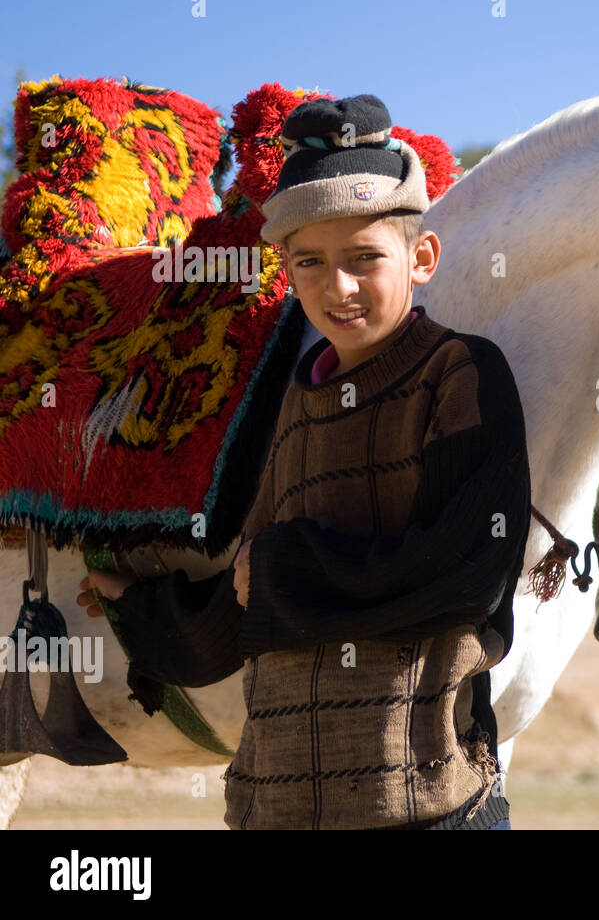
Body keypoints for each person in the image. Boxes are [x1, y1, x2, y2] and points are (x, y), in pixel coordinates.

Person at [77, 94, 530, 830]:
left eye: (364, 258)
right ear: (286, 271)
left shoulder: (462, 375)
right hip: (276, 802)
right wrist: (141, 608)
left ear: (421, 258)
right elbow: (245, 604)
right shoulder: (291, 403)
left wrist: (285, 565)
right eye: (311, 262)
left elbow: (468, 574)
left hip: (421, 800)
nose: (338, 286)